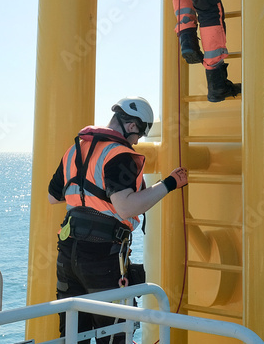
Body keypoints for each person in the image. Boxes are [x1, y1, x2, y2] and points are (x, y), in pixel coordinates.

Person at [47, 96, 188, 343]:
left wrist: (88, 193)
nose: (136, 143)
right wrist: (169, 183)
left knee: (72, 333)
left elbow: (52, 196)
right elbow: (125, 208)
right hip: (102, 256)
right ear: (132, 126)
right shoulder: (120, 155)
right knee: (113, 334)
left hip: (68, 253)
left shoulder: (75, 150)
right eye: (138, 137)